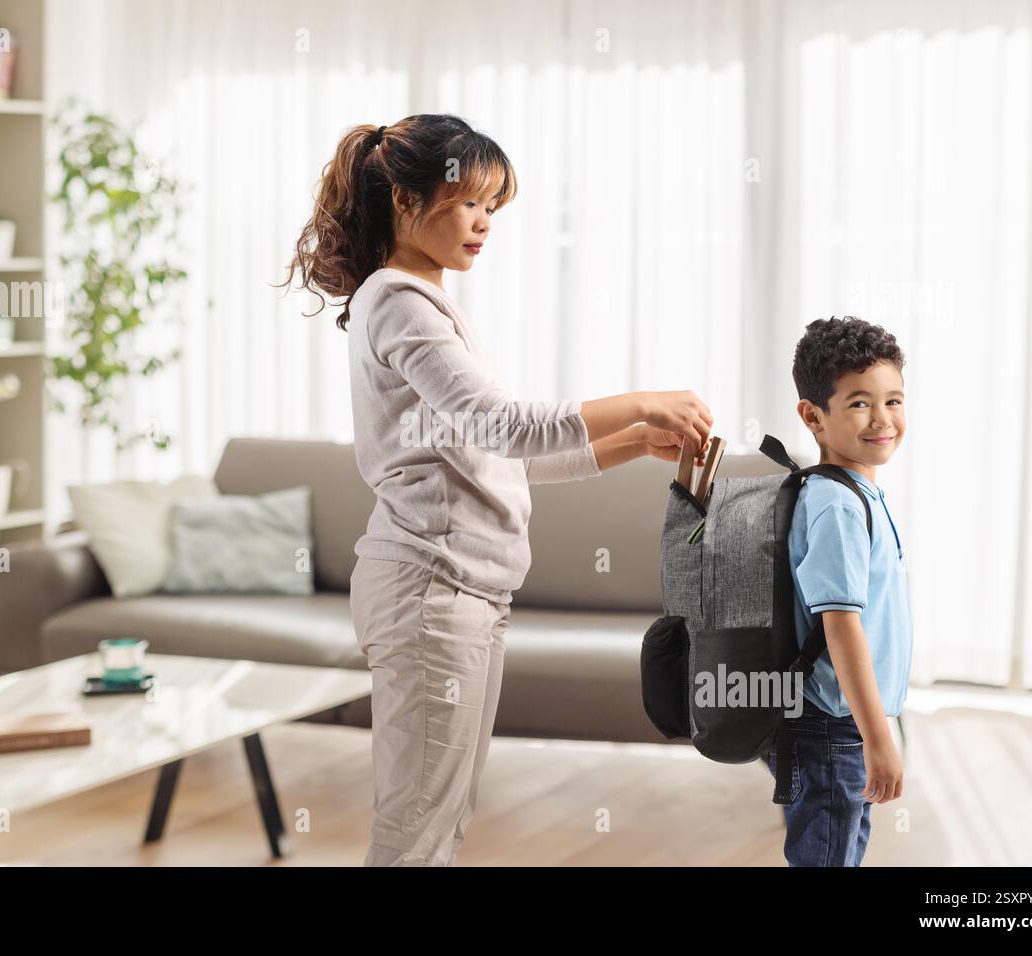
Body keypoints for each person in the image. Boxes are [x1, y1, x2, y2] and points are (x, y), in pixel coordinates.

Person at [278, 113, 713, 865]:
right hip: (429, 594)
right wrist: (641, 402)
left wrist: (633, 443)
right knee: (417, 827)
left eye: (492, 207)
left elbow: (493, 455)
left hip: (463, 592)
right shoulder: (400, 300)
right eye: (470, 201)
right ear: (405, 202)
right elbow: (505, 424)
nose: (484, 223)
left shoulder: (423, 301)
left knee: (440, 821)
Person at [768, 316, 913, 866]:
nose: (883, 419)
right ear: (813, 416)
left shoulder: (858, 494)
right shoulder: (837, 506)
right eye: (858, 403)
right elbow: (842, 625)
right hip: (834, 727)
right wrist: (879, 738)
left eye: (893, 400)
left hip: (844, 723)